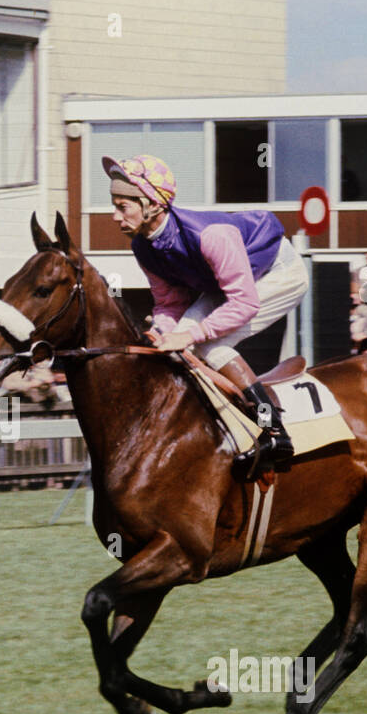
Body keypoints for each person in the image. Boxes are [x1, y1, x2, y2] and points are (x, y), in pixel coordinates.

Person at [103, 154, 308, 477]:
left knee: (207, 345)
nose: (115, 216)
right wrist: (161, 330)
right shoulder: (142, 247)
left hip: (278, 272)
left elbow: (244, 304)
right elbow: (170, 304)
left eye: (122, 206)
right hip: (228, 283)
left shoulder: (211, 236)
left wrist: (189, 335)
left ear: (152, 205)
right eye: (114, 205)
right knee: (178, 341)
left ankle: (275, 433)